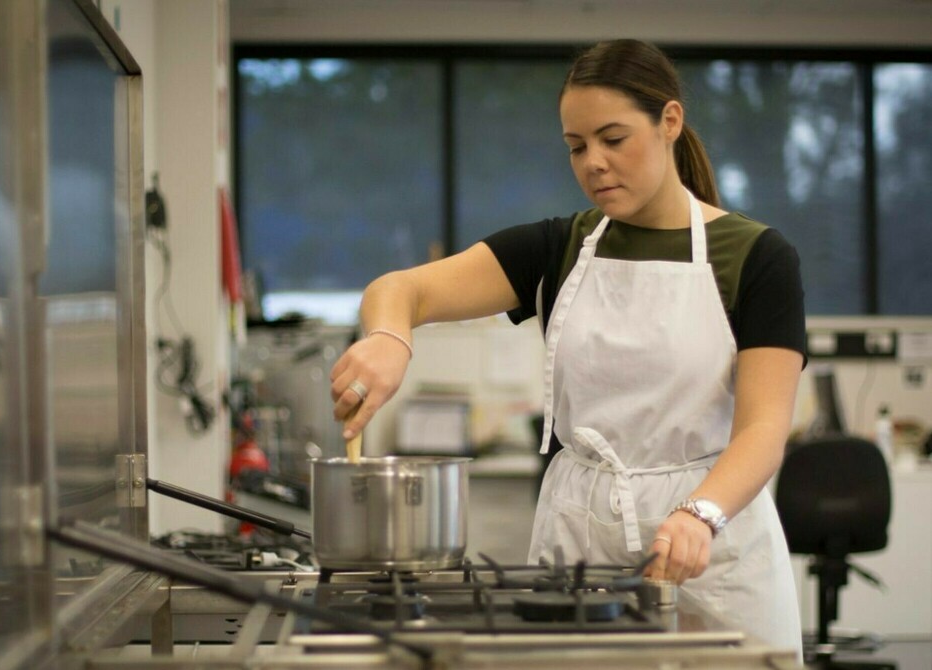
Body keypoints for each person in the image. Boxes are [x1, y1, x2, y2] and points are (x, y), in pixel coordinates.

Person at [329, 38, 805, 654]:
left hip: (711, 539)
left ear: (669, 121)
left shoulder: (757, 257)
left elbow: (763, 428)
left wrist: (701, 513)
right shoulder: (558, 249)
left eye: (613, 139)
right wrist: (390, 336)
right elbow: (401, 289)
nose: (593, 163)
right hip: (580, 542)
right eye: (577, 147)